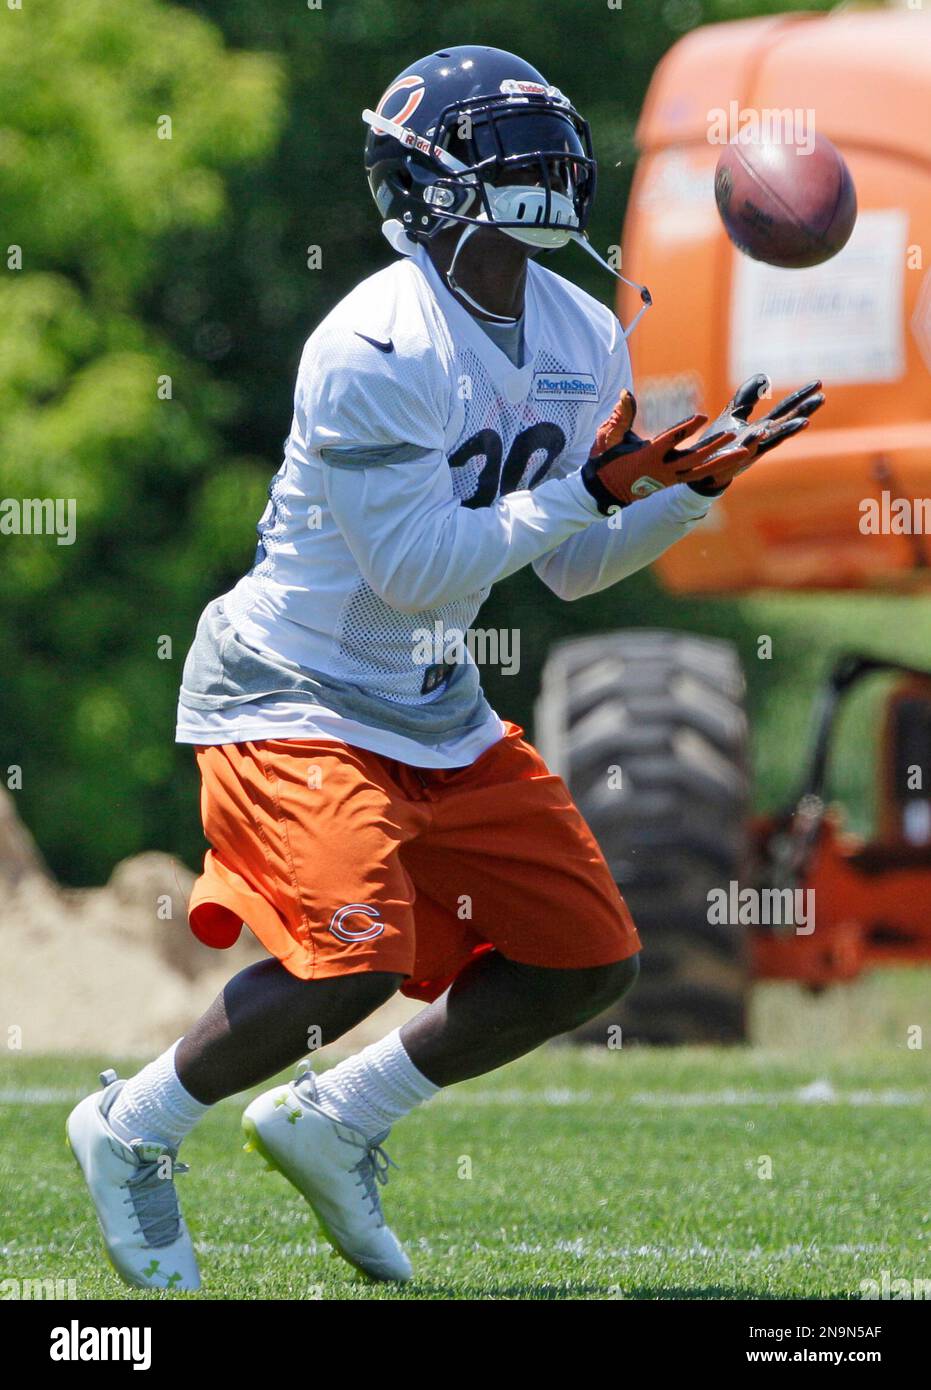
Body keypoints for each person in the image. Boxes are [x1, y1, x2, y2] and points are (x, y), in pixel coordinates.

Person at [67, 45, 822, 1291]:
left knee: (587, 958)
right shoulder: (374, 337)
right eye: (506, 157)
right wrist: (585, 488)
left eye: (549, 154)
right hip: (292, 690)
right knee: (352, 950)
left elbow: (571, 568)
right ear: (425, 182)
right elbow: (420, 567)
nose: (542, 178)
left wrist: (686, 495)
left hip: (431, 704)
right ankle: (133, 1127)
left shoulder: (584, 328)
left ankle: (339, 1116)